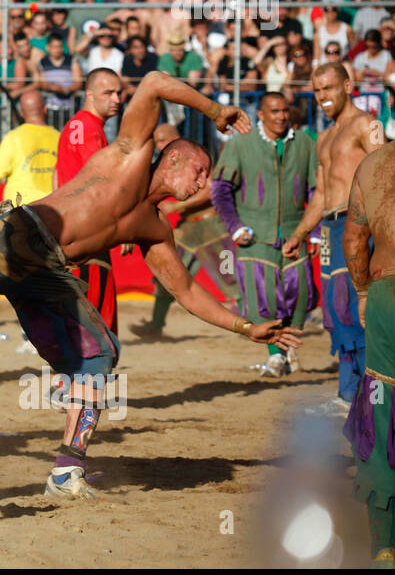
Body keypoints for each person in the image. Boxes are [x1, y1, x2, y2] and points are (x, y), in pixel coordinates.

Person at [0, 71, 300, 497]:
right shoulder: (129, 153)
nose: (203, 184)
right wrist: (217, 110)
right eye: (200, 172)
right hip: (18, 239)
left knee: (100, 355)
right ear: (174, 159)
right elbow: (155, 82)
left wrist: (245, 328)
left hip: (49, 273)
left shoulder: (156, 229)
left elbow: (187, 293)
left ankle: (67, 471)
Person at [342, 70, 395, 568]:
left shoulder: (375, 165)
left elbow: (354, 240)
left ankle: (385, 547)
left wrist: (361, 290)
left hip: (393, 298)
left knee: (387, 413)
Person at [283, 62, 385, 412]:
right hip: (329, 228)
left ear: (348, 84)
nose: (322, 96)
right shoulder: (323, 137)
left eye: (328, 87)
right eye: (317, 89)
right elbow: (322, 195)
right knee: (334, 313)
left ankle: (370, 393)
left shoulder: (366, 125)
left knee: (354, 308)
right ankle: (347, 393)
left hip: (358, 225)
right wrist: (299, 233)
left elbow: (383, 176)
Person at [209, 92, 319, 378]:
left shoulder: (306, 143)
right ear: (260, 114)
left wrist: (315, 232)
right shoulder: (240, 144)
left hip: (295, 232)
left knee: (301, 293)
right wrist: (235, 226)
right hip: (254, 234)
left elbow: (314, 191)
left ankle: (287, 347)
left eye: (285, 111)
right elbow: (220, 189)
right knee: (261, 297)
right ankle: (275, 356)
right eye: (274, 111)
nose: (281, 117)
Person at [131, 124, 238, 339]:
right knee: (165, 275)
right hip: (187, 229)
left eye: (162, 140)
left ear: (174, 140)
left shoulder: (194, 158)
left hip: (210, 227)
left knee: (231, 279)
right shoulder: (169, 164)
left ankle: (245, 323)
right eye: (157, 141)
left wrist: (177, 207)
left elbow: (210, 189)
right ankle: (156, 324)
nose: (159, 145)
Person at [57, 68, 124, 336]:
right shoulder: (89, 128)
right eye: (108, 93)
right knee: (95, 322)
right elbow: (98, 181)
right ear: (89, 95)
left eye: (119, 92)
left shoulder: (78, 124)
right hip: (87, 234)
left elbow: (57, 174)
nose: (116, 98)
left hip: (72, 231)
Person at [0, 88, 59, 213]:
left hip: (20, 211)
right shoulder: (60, 136)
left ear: (21, 112)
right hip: (52, 209)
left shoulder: (13, 137)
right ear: (45, 109)